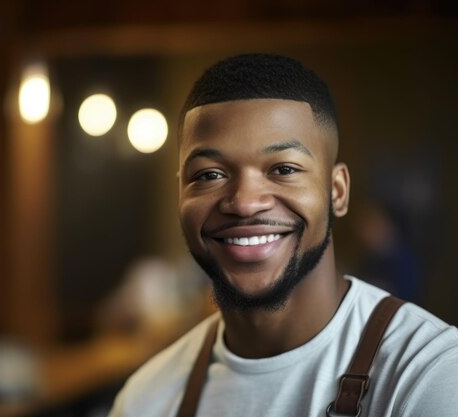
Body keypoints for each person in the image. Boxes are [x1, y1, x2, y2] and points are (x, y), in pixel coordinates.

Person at [108, 54, 458, 416]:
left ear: (337, 191)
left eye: (283, 169)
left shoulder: (430, 377)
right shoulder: (145, 400)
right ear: (181, 192)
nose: (244, 203)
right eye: (209, 175)